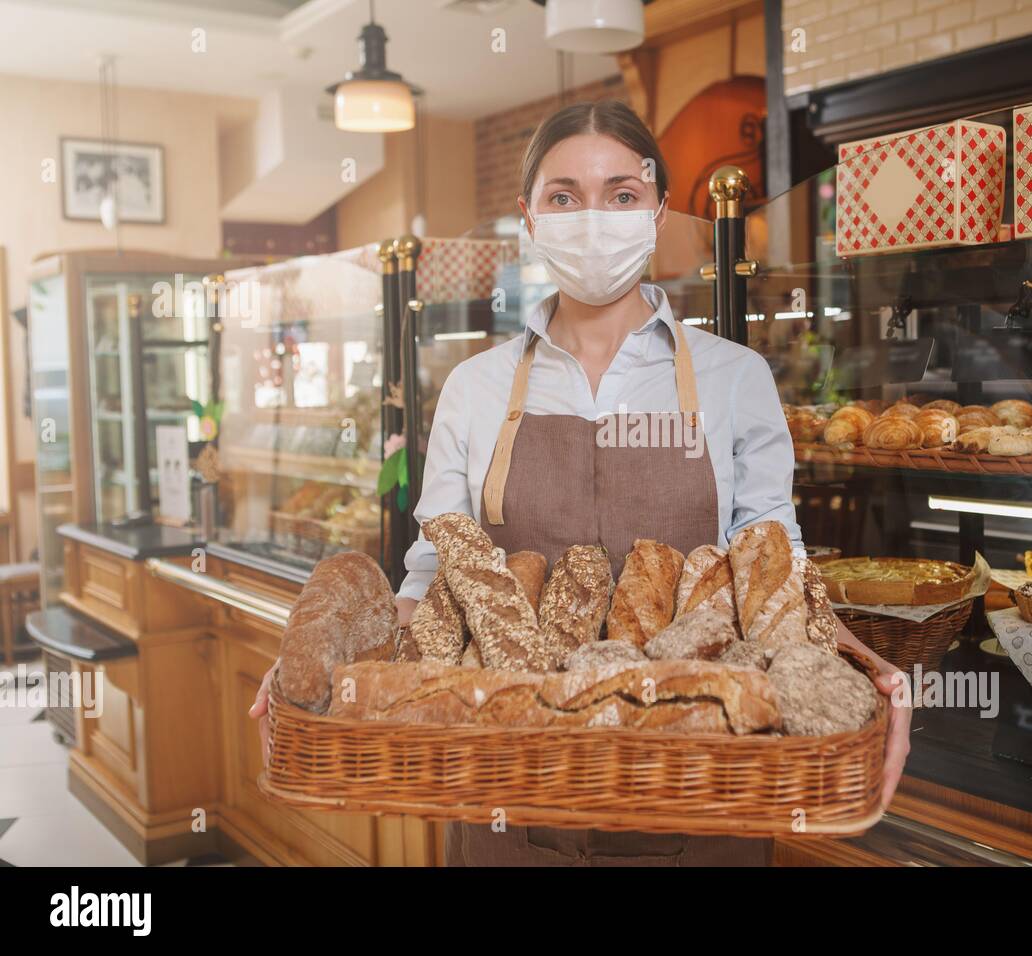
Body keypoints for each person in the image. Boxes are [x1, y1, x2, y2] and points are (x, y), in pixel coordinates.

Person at [252, 99, 910, 866]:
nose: (592, 218)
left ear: (659, 211)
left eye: (621, 195)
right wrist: (322, 660)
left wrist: (864, 664)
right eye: (564, 196)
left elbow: (774, 565)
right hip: (506, 780)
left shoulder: (736, 378)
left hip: (700, 785)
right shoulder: (475, 387)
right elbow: (432, 577)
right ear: (529, 216)